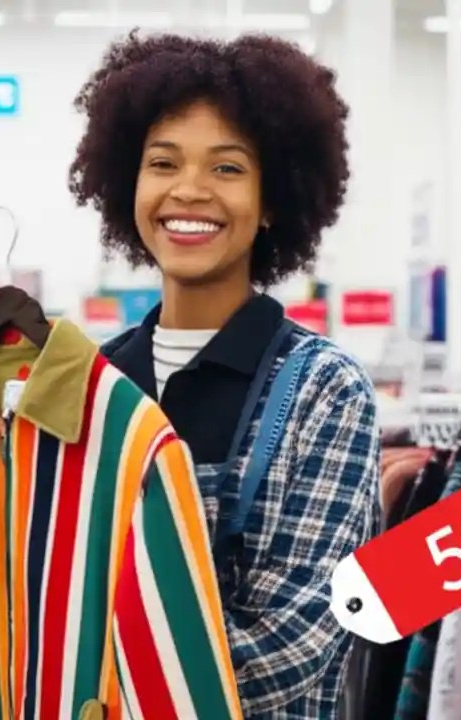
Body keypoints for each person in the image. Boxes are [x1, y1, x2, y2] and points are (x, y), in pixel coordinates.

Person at [68, 31, 382, 718]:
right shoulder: (90, 382)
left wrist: (92, 682)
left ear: (273, 200)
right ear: (130, 184)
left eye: (227, 168)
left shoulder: (323, 391)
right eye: (163, 163)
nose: (189, 191)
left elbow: (295, 645)